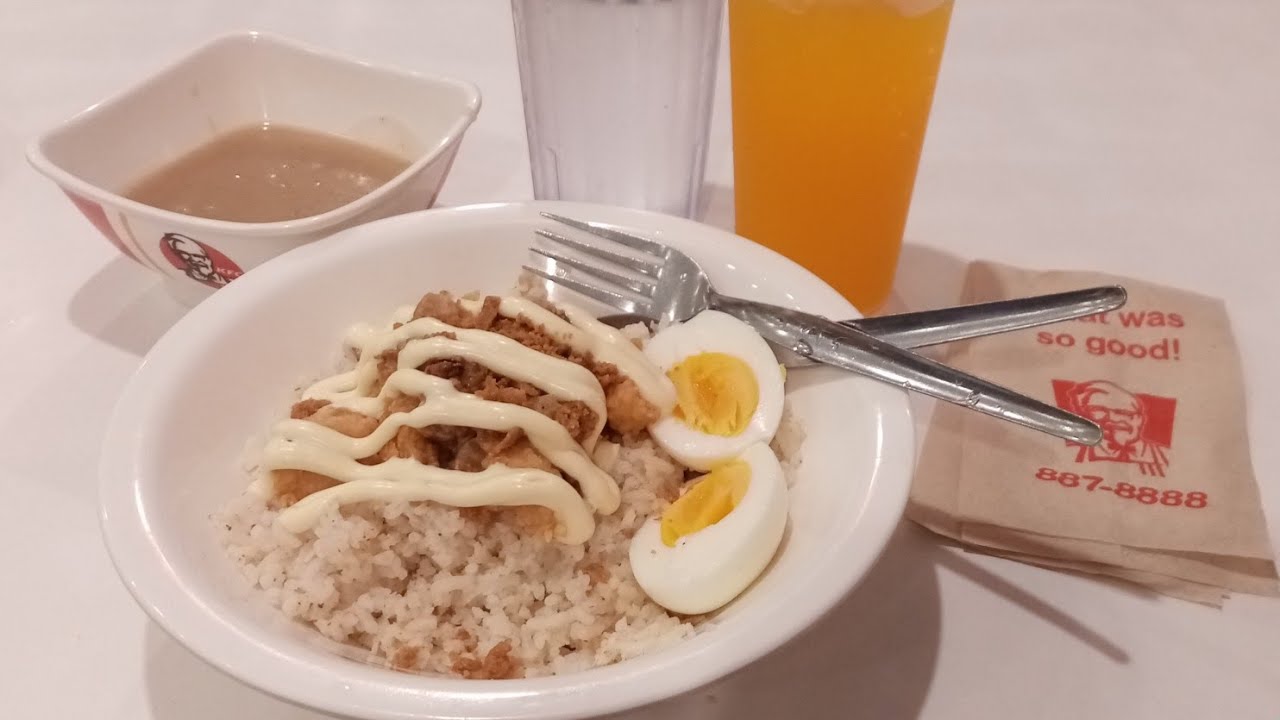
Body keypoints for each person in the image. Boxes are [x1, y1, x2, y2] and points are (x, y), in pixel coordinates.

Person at [1068, 380, 1169, 477]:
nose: (1112, 419)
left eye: (1123, 412)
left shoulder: (1166, 456)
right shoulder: (1071, 454)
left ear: (1140, 419)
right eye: (1099, 411)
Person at [163, 233, 229, 287]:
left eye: (198, 256)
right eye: (188, 256)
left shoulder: (223, 279)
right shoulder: (180, 276)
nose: (195, 259)